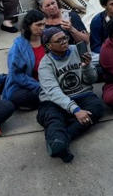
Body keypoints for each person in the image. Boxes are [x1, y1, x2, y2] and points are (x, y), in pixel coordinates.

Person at [37, 27, 104, 163]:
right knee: (52, 118)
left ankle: (61, 141)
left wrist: (87, 66)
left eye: (65, 38)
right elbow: (53, 92)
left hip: (81, 94)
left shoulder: (77, 50)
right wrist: (76, 110)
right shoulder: (45, 64)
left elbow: (92, 80)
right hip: (55, 101)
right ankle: (60, 139)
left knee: (97, 108)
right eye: (59, 40)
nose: (64, 42)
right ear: (49, 46)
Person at [2, 10, 48, 110]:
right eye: (38, 25)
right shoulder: (18, 47)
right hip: (26, 85)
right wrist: (39, 86)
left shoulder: (47, 39)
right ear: (28, 26)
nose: (42, 28)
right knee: (21, 97)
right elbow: (16, 75)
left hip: (47, 81)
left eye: (44, 24)